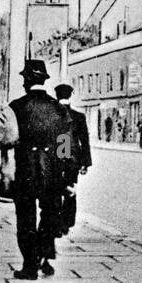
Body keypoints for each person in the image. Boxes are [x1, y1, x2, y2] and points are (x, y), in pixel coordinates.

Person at [0, 60, 66, 280]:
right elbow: (65, 148)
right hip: (52, 172)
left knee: (26, 220)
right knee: (49, 216)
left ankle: (29, 266)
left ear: (26, 81)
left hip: (24, 171)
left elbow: (2, 138)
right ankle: (43, 252)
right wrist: (66, 176)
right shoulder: (59, 109)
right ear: (44, 80)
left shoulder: (15, 106)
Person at [53, 83, 92, 237]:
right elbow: (85, 141)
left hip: (55, 158)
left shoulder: (51, 114)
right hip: (72, 160)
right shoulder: (78, 116)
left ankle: (55, 222)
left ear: (57, 96)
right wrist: (85, 163)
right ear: (70, 96)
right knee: (70, 189)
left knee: (55, 190)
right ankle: (66, 223)